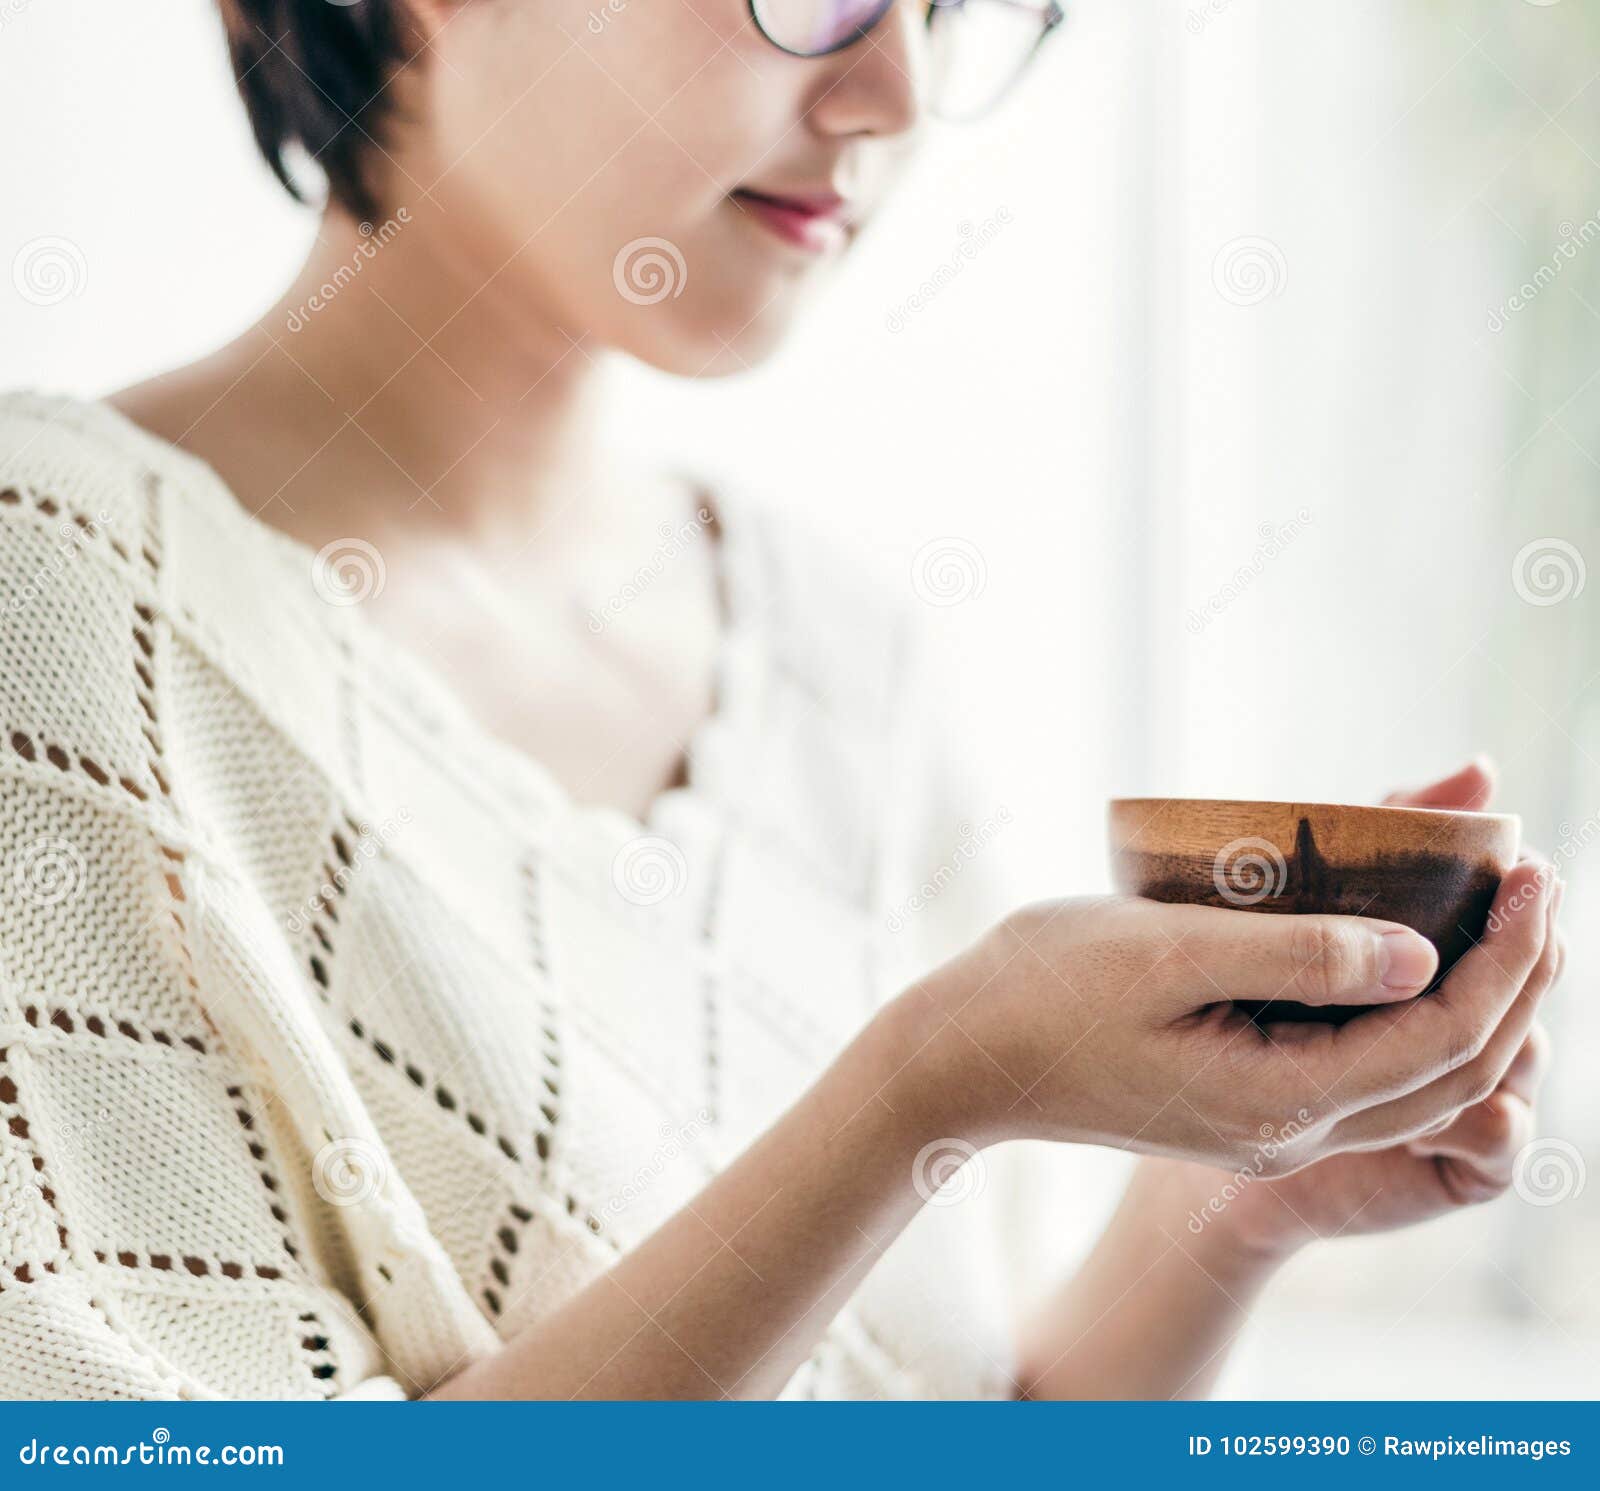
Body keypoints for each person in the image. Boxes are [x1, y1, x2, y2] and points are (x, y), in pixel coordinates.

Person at [0, 0, 1561, 1400]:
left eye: (955, 7)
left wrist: (1226, 1217)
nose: (896, 91)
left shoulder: (844, 662)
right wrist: (924, 1088)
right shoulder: (52, 614)